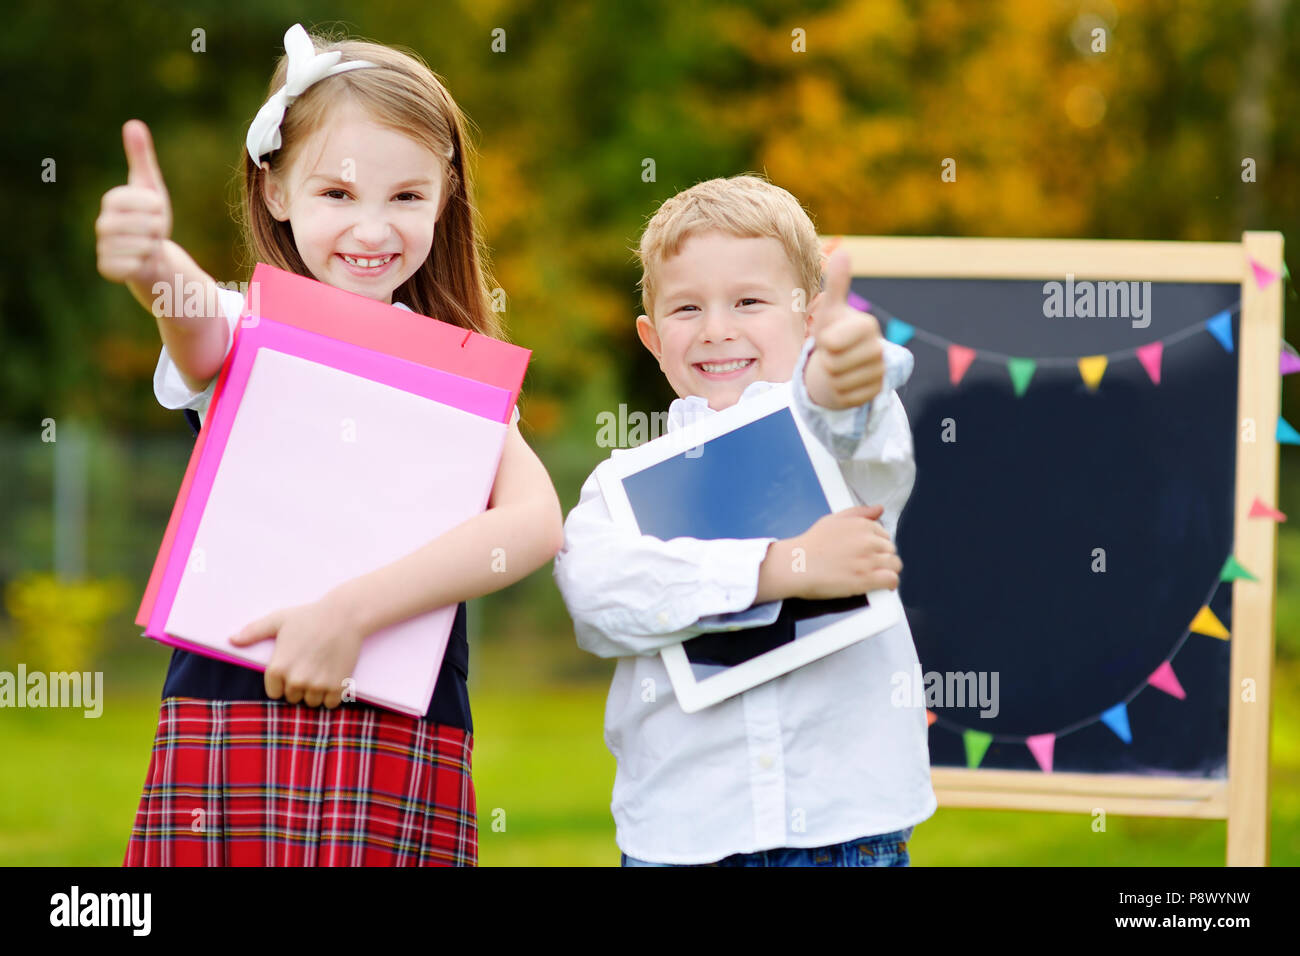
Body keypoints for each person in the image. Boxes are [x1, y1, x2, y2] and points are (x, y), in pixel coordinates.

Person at [97, 23, 563, 866]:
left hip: (399, 731)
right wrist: (153, 261)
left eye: (406, 197)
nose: (372, 228)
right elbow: (196, 327)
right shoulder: (249, 327)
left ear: (446, 196)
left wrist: (348, 616)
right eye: (338, 194)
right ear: (275, 191)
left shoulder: (454, 362)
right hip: (233, 713)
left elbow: (532, 524)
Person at [553, 175, 937, 866]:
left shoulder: (839, 439)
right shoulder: (618, 490)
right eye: (687, 308)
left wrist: (839, 377)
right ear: (650, 336)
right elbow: (599, 598)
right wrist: (783, 567)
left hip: (844, 825)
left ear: (810, 319)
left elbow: (871, 438)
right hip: (686, 831)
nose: (717, 329)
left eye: (749, 301)